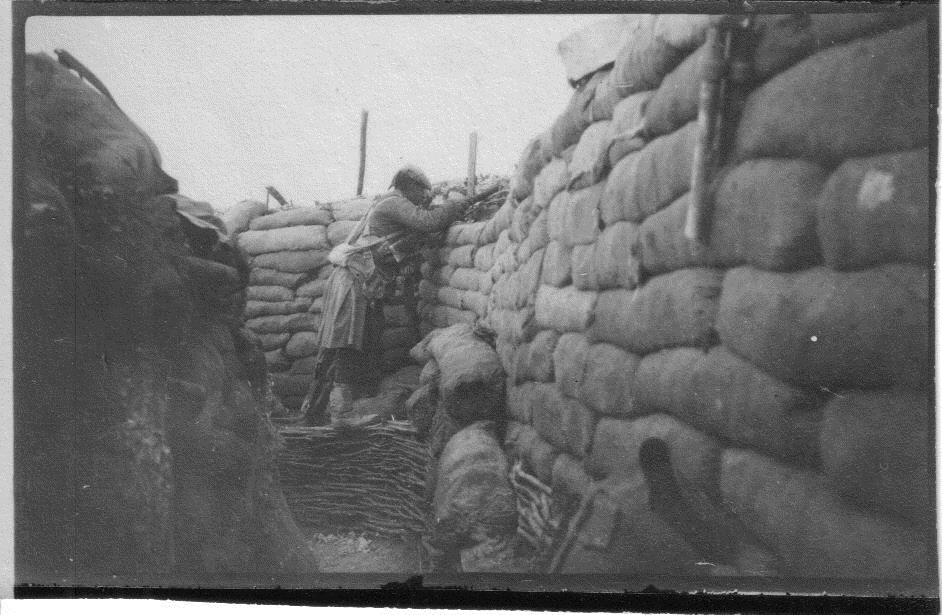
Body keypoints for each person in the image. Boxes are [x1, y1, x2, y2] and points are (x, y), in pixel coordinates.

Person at [302, 165, 468, 424]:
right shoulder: (394, 203)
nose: (424, 197)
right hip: (353, 281)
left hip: (364, 283)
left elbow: (421, 228)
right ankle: (340, 413)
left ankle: (350, 408)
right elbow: (428, 222)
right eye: (422, 191)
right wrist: (456, 205)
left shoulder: (395, 206)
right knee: (348, 342)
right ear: (410, 186)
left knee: (365, 343)